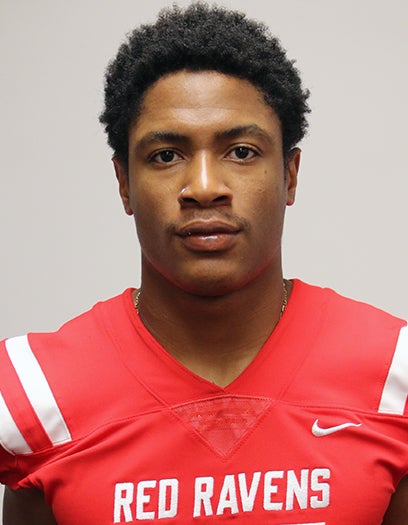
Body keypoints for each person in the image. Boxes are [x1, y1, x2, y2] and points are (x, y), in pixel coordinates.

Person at [0, 3, 407, 523]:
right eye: (166, 155)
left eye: (241, 151)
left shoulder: (394, 377)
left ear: (290, 175)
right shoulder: (34, 395)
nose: (205, 187)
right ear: (124, 183)